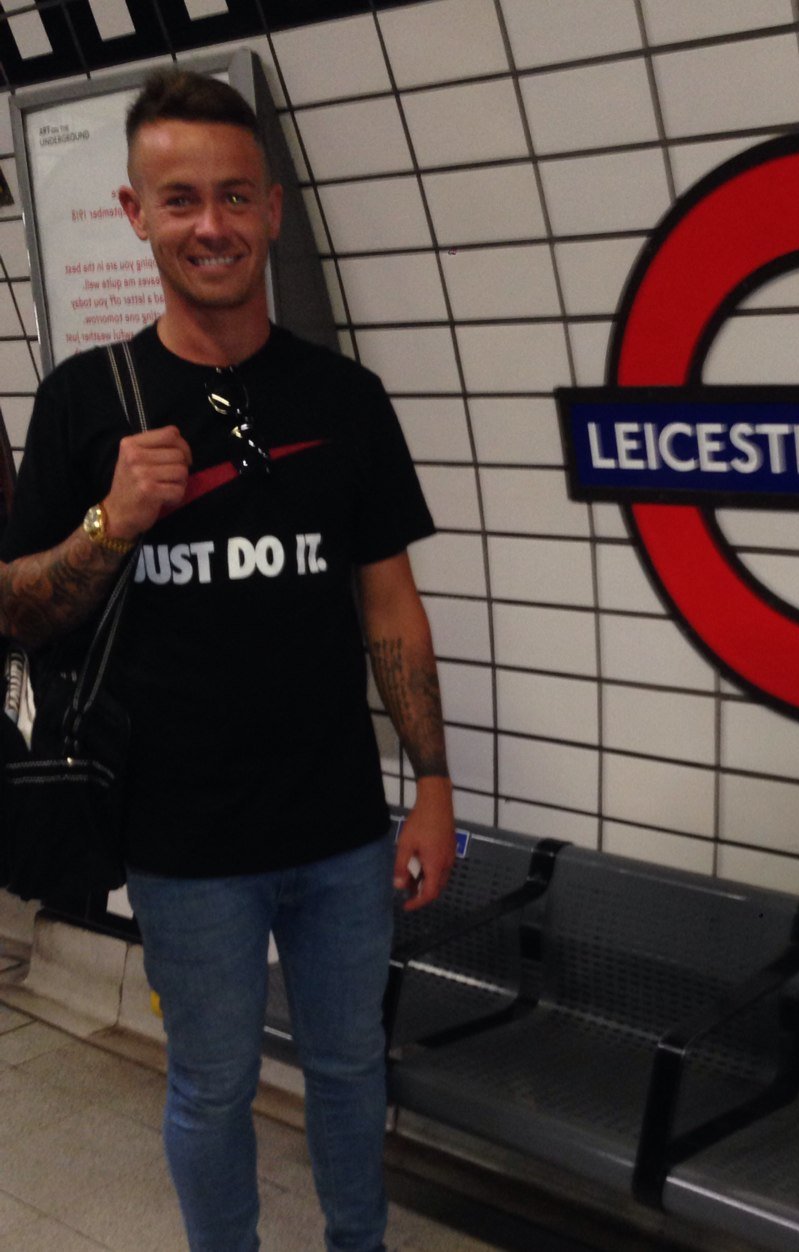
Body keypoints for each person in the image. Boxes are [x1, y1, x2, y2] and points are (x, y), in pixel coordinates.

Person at [0, 68, 455, 1252]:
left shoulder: (344, 397)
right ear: (135, 213)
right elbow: (19, 610)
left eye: (236, 196)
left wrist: (432, 786)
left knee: (350, 1069)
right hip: (181, 838)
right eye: (181, 198)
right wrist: (110, 523)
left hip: (340, 827)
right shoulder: (84, 402)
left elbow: (391, 603)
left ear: (272, 209)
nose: (212, 224)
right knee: (211, 1085)